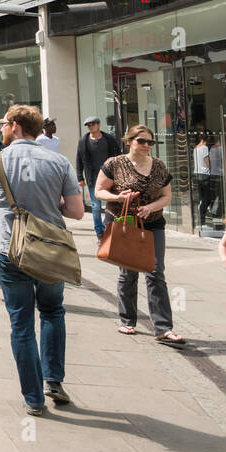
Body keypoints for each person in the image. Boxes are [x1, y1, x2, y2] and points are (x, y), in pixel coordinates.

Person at [0, 104, 83, 416]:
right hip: (50, 250)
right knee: (52, 312)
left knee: (21, 323)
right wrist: (52, 203)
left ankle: (34, 399)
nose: (3, 128)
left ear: (15, 126)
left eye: (6, 124)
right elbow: (76, 212)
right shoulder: (59, 161)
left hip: (11, 250)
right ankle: (54, 380)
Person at [95, 124, 184, 347]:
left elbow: (166, 196)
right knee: (128, 271)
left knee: (155, 272)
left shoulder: (160, 167)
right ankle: (127, 320)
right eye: (141, 141)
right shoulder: (114, 164)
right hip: (125, 222)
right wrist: (118, 198)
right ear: (130, 141)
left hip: (153, 223)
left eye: (150, 142)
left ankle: (164, 328)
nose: (146, 146)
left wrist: (150, 208)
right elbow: (99, 191)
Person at [75, 115, 122, 243]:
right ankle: (100, 233)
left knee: (111, 204)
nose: (91, 127)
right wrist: (80, 177)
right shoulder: (84, 141)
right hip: (93, 178)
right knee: (96, 206)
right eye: (88, 125)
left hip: (109, 177)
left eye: (93, 124)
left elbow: (119, 156)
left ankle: (110, 229)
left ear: (98, 125)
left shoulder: (109, 139)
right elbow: (79, 160)